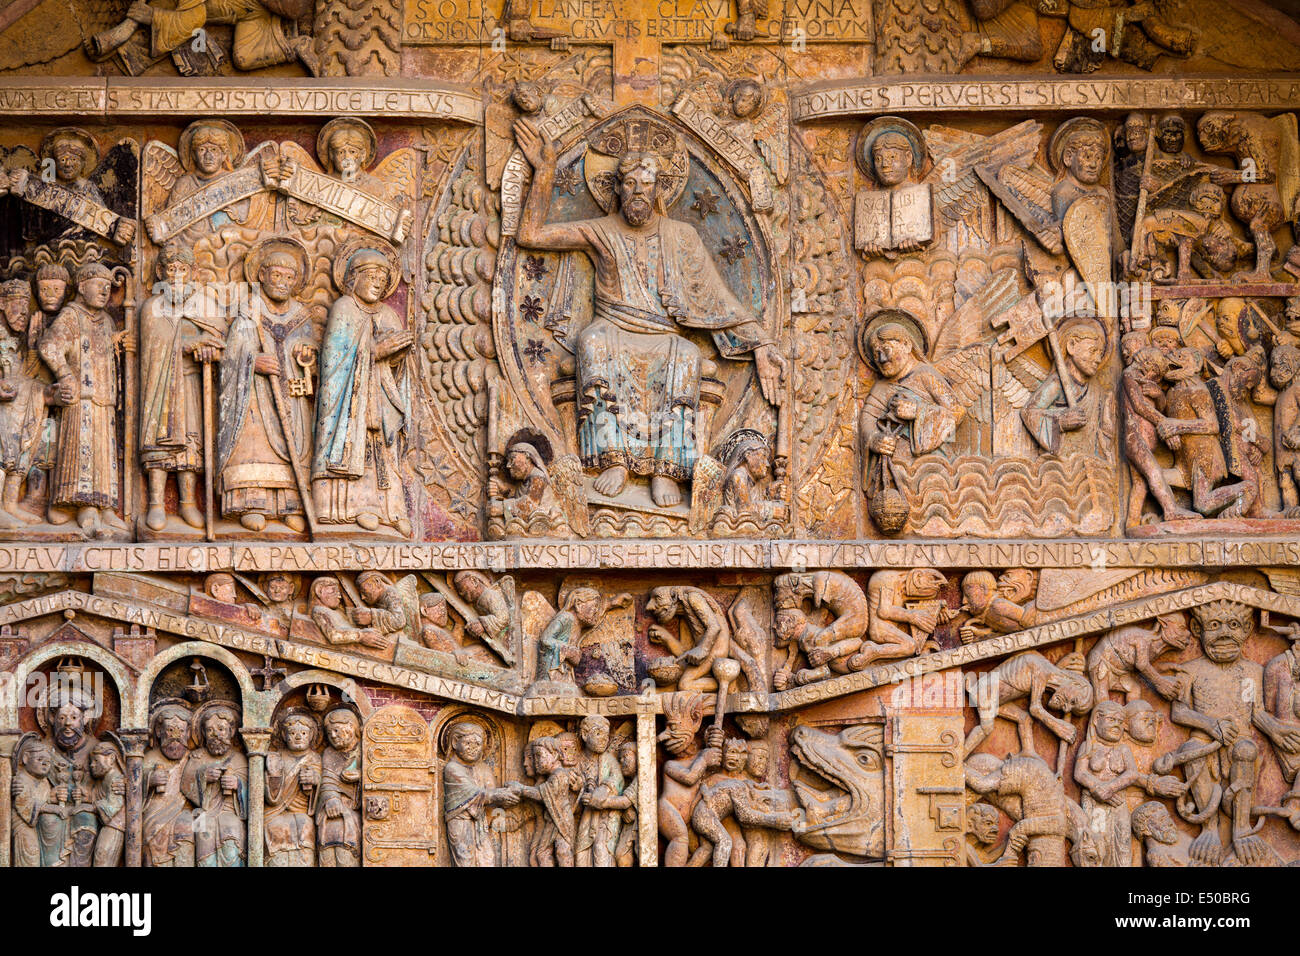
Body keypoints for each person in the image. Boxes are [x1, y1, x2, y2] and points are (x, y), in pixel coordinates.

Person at [513, 116, 784, 508]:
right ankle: (614, 461)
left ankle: (665, 469)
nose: (638, 191)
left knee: (687, 355)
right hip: (613, 328)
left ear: (659, 190)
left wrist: (760, 342)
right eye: (629, 184)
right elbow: (530, 235)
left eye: (646, 184)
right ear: (617, 190)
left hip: (662, 335)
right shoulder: (601, 230)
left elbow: (716, 299)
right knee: (591, 343)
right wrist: (545, 172)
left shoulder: (681, 236)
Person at [312, 245, 412, 535]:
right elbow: (333, 357)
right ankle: (354, 508)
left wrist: (398, 354)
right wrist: (374, 351)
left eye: (382, 282)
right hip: (350, 400)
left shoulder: (390, 315)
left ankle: (390, 510)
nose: (377, 285)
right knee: (357, 448)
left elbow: (397, 367)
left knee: (385, 450)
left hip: (381, 396)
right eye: (371, 277)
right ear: (353, 279)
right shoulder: (345, 307)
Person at [216, 238, 314, 533]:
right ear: (261, 275)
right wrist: (253, 363)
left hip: (290, 393)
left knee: (294, 442)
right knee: (255, 439)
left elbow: (310, 350)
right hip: (254, 396)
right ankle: (251, 503)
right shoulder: (249, 313)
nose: (282, 283)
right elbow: (231, 356)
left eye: (289, 277)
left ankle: (289, 506)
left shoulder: (301, 315)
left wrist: (307, 355)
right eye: (276, 275)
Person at [138, 243, 224, 532]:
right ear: (161, 271)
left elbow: (220, 339)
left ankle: (188, 503)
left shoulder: (205, 305)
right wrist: (187, 345)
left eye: (182, 270)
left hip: (191, 383)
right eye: (171, 269)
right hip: (160, 386)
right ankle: (155, 504)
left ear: (193, 272)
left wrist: (209, 350)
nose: (176, 275)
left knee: (190, 442)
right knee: (160, 442)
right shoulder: (153, 307)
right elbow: (154, 344)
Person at [39, 262, 125, 536]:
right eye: (98, 284)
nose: (104, 291)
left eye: (108, 287)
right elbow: (49, 346)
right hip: (81, 398)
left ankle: (105, 505)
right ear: (81, 286)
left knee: (103, 452)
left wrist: (124, 347)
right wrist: (65, 376)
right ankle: (83, 504)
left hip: (104, 398)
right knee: (82, 450)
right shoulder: (71, 316)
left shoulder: (108, 321)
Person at [442, 721, 518, 867]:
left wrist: (507, 797)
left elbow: (492, 795)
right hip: (461, 822)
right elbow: (474, 793)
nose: (473, 749)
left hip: (482, 823)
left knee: (487, 859)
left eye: (477, 744)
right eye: (468, 743)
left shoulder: (484, 768)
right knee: (465, 859)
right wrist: (497, 795)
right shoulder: (452, 768)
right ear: (455, 742)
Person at [181, 700, 247, 867]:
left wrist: (237, 785)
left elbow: (254, 792)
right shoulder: (197, 757)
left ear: (231, 731)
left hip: (232, 813)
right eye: (210, 730)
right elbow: (185, 786)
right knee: (202, 827)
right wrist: (203, 777)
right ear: (203, 733)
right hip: (203, 811)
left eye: (221, 729)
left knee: (231, 826)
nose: (215, 735)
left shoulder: (239, 758)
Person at [317, 709, 362, 867]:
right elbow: (327, 781)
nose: (333, 736)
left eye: (336, 731)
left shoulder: (366, 750)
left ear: (350, 726)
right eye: (329, 734)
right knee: (330, 829)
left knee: (346, 831)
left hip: (356, 809)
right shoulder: (329, 754)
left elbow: (381, 774)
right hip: (333, 808)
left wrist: (362, 776)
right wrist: (331, 799)